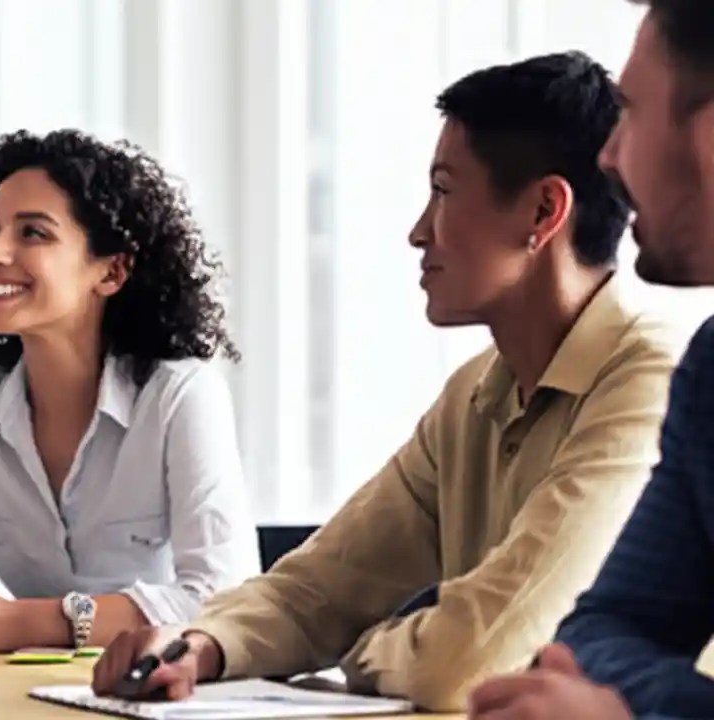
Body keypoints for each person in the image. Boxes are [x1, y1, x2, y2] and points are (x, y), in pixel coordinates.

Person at [92, 51, 678, 712]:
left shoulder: (653, 384)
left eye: (444, 191)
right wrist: (198, 646)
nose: (418, 232)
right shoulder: (475, 393)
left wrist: (357, 655)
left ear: (543, 211)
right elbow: (319, 589)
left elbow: (468, 659)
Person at [0, 129, 257, 654]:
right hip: (23, 688)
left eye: (33, 233)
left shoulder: (179, 397)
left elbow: (226, 600)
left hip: (159, 685)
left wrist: (18, 623)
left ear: (112, 271)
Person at [469, 2, 714, 718]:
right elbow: (601, 633)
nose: (608, 156)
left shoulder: (647, 366)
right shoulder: (710, 374)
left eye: (630, 112)